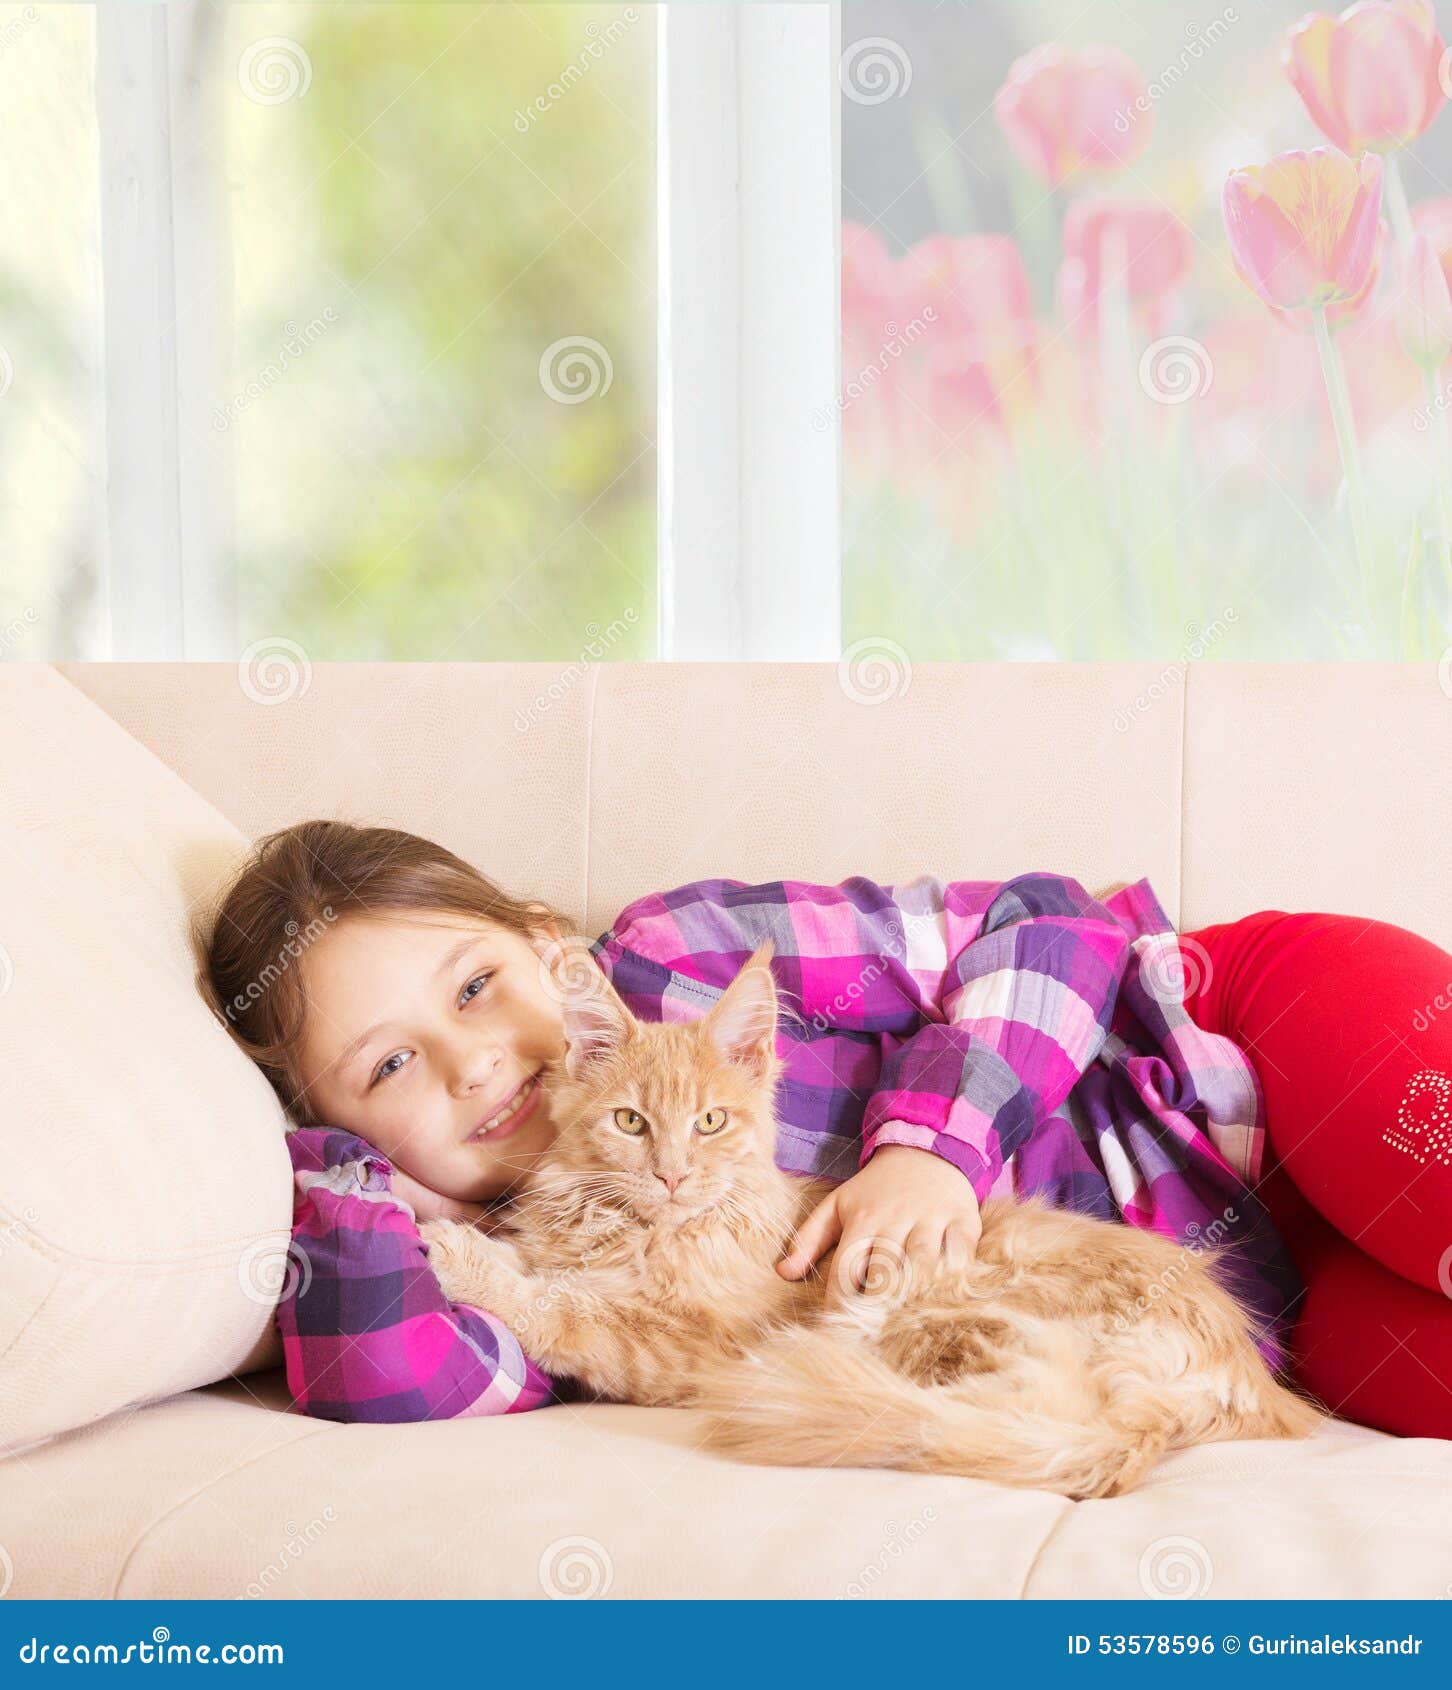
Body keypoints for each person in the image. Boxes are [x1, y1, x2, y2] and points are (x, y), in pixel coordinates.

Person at [202, 820, 1310, 1427]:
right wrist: (368, 1204)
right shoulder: (517, 1230)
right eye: (390, 1065)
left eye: (476, 984)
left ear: (547, 942)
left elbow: (1051, 918)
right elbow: (397, 1375)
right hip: (1273, 1289)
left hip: (1230, 1057)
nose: (473, 1058)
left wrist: (933, 1148)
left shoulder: (684, 959)